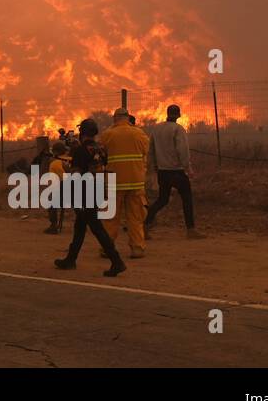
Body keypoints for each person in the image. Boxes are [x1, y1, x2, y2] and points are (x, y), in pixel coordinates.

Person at [54, 119, 127, 277]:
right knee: (79, 226)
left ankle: (117, 261)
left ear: (83, 132)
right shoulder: (101, 149)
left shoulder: (80, 151)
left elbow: (77, 174)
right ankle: (71, 259)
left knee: (96, 228)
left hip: (85, 192)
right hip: (98, 190)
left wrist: (68, 169)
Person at [146, 105, 205, 239]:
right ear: (178, 115)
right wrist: (188, 168)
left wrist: (155, 167)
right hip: (176, 171)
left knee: (162, 199)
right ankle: (191, 230)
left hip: (163, 171)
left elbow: (152, 150)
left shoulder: (157, 129)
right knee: (187, 198)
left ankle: (145, 223)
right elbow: (183, 150)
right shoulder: (178, 129)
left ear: (167, 114)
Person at [99, 108, 151, 258]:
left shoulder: (108, 134)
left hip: (115, 182)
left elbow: (102, 154)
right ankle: (137, 248)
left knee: (111, 218)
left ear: (115, 119)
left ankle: (107, 248)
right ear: (128, 118)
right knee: (135, 217)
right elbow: (145, 152)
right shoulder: (139, 133)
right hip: (135, 182)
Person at [44, 140, 72, 234]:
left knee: (50, 200)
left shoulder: (55, 163)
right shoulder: (71, 160)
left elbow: (61, 180)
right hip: (78, 190)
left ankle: (53, 225)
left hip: (64, 191)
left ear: (55, 152)